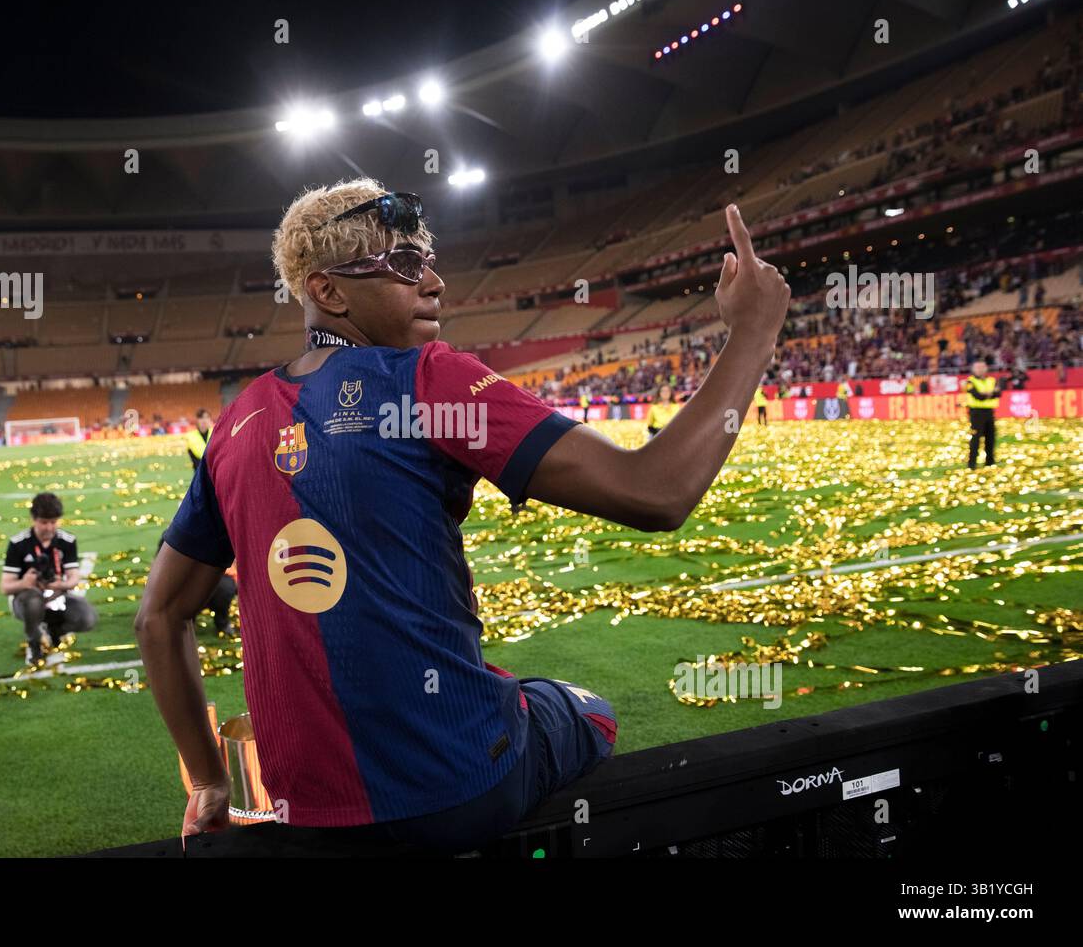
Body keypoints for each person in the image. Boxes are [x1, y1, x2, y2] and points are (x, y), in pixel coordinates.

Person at [134, 181, 789, 855]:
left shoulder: (235, 422)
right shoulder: (425, 379)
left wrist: (210, 780)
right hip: (457, 793)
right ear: (328, 292)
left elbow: (157, 617)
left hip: (305, 816)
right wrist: (754, 331)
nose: (436, 283)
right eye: (405, 266)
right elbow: (658, 491)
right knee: (590, 710)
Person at [0, 492, 98, 665]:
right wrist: (24, 583)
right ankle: (34, 640)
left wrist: (61, 584)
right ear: (33, 519)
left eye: (53, 522)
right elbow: (5, 586)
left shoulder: (67, 540)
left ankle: (55, 628)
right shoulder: (18, 543)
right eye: (44, 522)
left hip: (57, 596)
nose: (49, 528)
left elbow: (74, 577)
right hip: (27, 599)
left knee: (88, 618)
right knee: (33, 601)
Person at [964, 359, 1001, 469]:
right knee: (975, 439)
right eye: (978, 367)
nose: (980, 370)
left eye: (982, 367)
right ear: (973, 369)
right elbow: (977, 396)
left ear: (986, 368)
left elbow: (998, 393)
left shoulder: (992, 380)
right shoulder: (970, 381)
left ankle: (990, 462)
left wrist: (986, 394)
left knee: (991, 438)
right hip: (976, 413)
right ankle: (972, 464)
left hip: (989, 412)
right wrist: (991, 393)